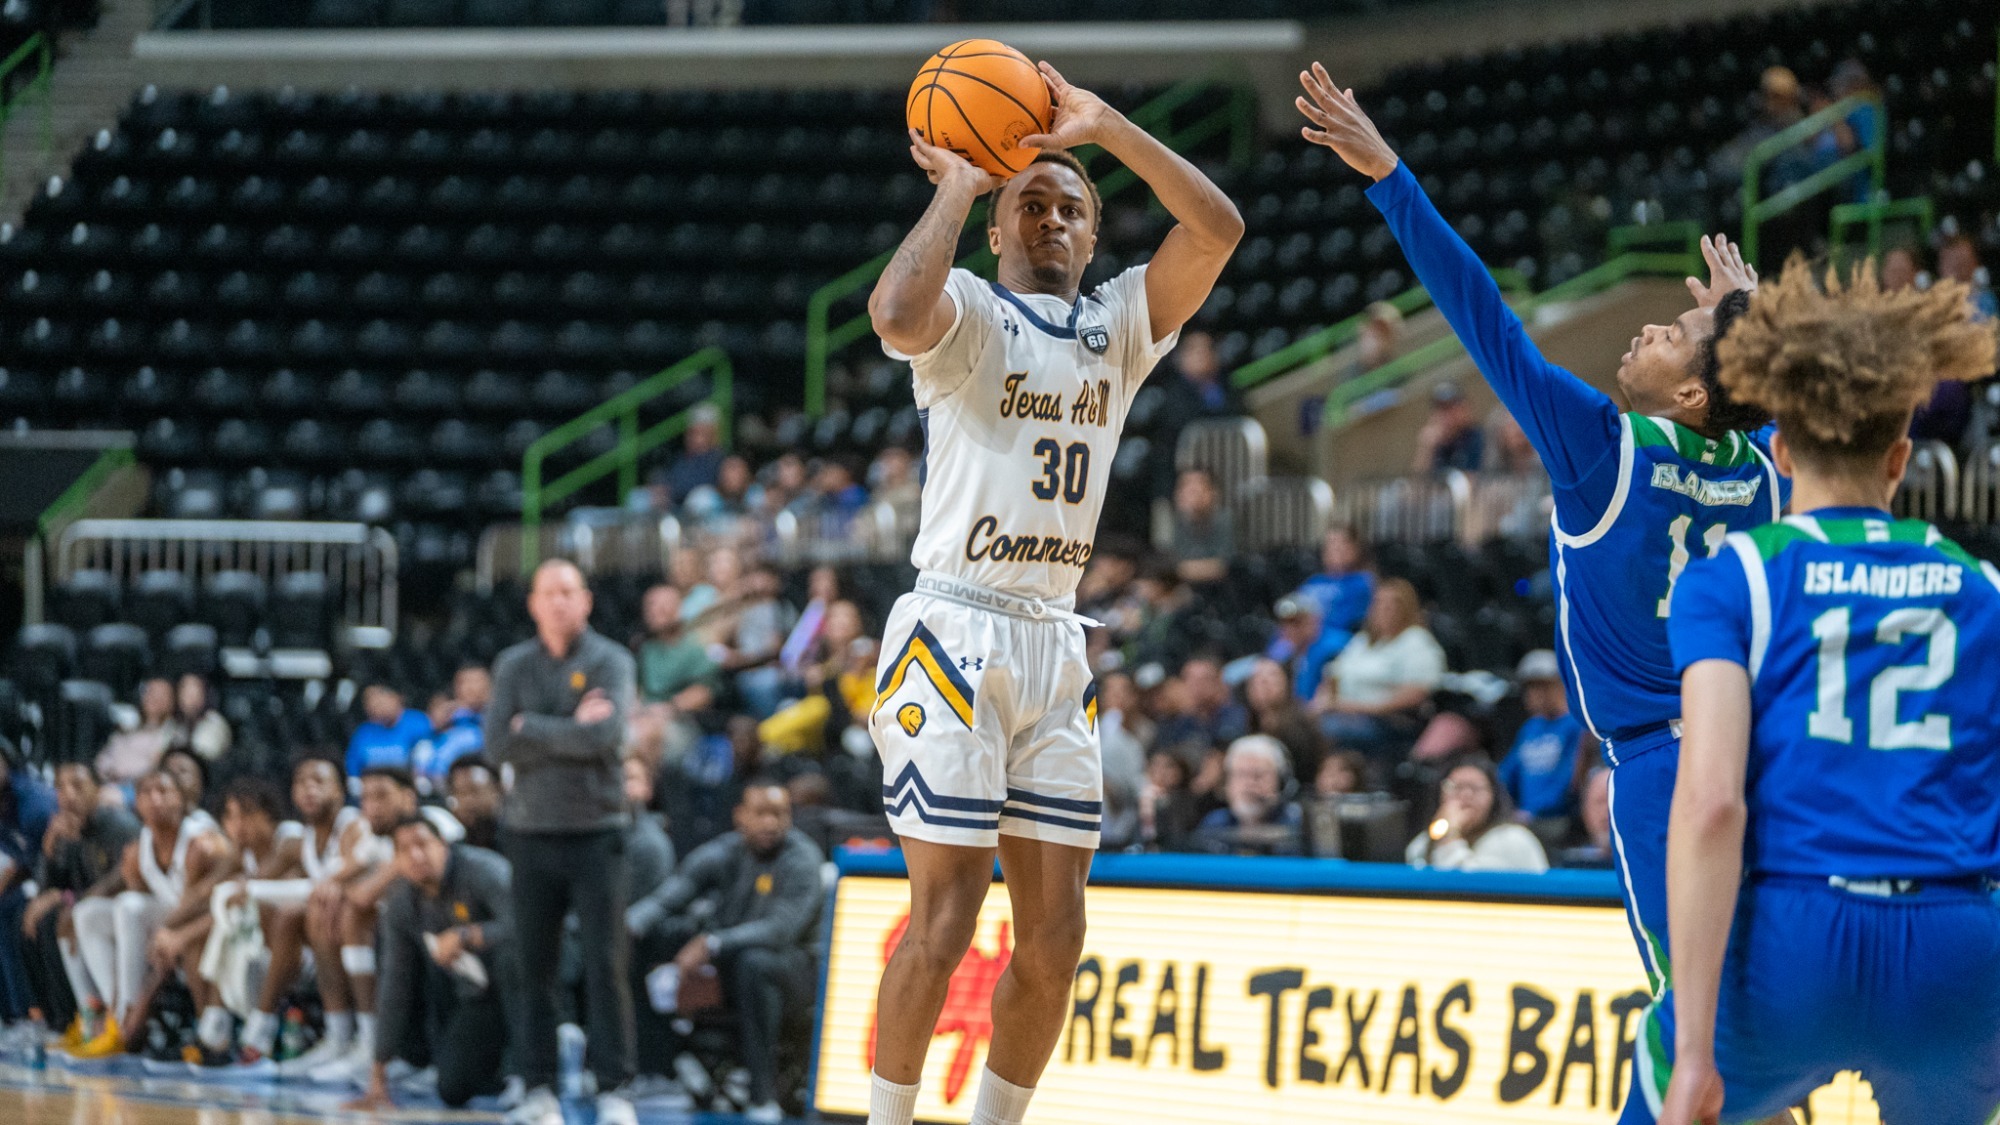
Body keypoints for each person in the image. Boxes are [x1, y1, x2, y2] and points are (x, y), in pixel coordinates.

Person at [1295, 63, 1782, 1000]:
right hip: (1759, 751)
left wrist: (1390, 177)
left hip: (1663, 765)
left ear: (1689, 394)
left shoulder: (1604, 447)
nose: (1647, 329)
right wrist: (1742, 318)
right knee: (1759, 1001)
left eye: (1675, 335)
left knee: (1691, 1021)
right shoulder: (1763, 462)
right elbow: (1785, 392)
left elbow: (1490, 325)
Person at [864, 53, 1240, 1125]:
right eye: (1030, 203)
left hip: (1053, 637)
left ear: (1092, 231)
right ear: (997, 227)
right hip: (953, 624)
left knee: (1058, 937)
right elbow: (894, 314)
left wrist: (1103, 126)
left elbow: (1215, 228)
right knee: (941, 922)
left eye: (1069, 205)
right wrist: (959, 181)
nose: (1053, 219)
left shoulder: (1121, 325)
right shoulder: (970, 313)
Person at [1646, 261, 2000, 1125]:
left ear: (1782, 448)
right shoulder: (1983, 585)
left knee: (1668, 1091)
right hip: (1955, 941)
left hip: (1793, 938)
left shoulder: (1734, 578)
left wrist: (1695, 1048)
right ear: (1900, 456)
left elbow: (1711, 806)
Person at [487, 559, 640, 1125]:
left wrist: (536, 727)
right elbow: (498, 743)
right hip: (529, 834)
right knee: (534, 968)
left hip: (598, 832)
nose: (558, 602)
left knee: (607, 964)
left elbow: (609, 733)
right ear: (532, 603)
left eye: (568, 592)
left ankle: (615, 1088)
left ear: (587, 601)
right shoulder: (512, 665)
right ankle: (538, 1088)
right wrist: (569, 728)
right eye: (548, 592)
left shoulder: (612, 660)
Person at [625, 781, 823, 1124]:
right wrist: (630, 926)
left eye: (779, 814)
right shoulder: (727, 851)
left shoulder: (802, 858)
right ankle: (655, 1070)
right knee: (655, 938)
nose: (770, 823)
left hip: (793, 972)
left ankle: (763, 1098)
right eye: (760, 814)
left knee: (755, 962)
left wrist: (713, 943)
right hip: (734, 962)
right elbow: (675, 892)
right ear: (740, 817)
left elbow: (781, 930)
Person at [305, 765, 462, 1085]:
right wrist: (335, 887)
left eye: (381, 796)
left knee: (361, 918)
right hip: (416, 932)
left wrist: (351, 888)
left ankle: (390, 1049)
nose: (371, 807)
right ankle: (361, 1041)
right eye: (365, 799)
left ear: (408, 797)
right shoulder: (377, 839)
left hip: (464, 929)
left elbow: (367, 893)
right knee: (332, 913)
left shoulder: (435, 821)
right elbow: (351, 886)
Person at [351, 815, 517, 1111]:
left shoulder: (484, 870)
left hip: (532, 985)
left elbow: (531, 927)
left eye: (422, 844)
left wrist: (469, 935)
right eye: (404, 850)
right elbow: (395, 984)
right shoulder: (402, 903)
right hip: (479, 997)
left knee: (511, 959)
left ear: (443, 846)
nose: (416, 855)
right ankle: (504, 1072)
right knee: (452, 1089)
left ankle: (543, 1064)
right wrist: (378, 1072)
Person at [63, 769, 227, 1056]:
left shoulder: (200, 844)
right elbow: (145, 898)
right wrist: (134, 881)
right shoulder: (140, 847)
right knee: (87, 914)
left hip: (201, 925)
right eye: (146, 793)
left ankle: (128, 1012)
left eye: (163, 791)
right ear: (136, 804)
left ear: (181, 799)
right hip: (166, 922)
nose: (155, 799)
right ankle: (107, 1010)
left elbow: (203, 903)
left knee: (129, 906)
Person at [262, 755, 364, 1077]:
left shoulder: (352, 823)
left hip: (371, 927)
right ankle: (337, 1035)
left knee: (321, 912)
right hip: (332, 934)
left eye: (319, 781)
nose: (309, 789)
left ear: (340, 791)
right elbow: (258, 881)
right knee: (297, 915)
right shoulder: (298, 841)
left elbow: (353, 865)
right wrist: (237, 888)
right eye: (301, 782)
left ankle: (367, 1042)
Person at [20, 763, 137, 1041]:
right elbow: (47, 890)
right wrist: (49, 851)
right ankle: (53, 1019)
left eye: (78, 786)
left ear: (97, 790)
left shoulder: (117, 824)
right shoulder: (66, 827)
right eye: (61, 787)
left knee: (58, 920)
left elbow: (122, 878)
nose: (69, 795)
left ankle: (75, 1017)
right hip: (86, 906)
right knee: (28, 920)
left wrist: (70, 899)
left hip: (116, 908)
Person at [1312, 578, 1446, 756]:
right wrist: (1322, 702)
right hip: (1345, 715)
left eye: (1393, 603)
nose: (1385, 609)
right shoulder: (1363, 641)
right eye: (1379, 602)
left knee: (1324, 730)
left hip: (1388, 723)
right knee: (1298, 726)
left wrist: (1355, 707)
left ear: (1407, 608)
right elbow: (1333, 673)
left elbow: (1416, 694)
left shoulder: (1416, 641)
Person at [1405, 757, 1548, 873]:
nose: (1466, 795)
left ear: (1493, 797)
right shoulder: (1422, 844)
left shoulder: (1512, 839)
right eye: (1456, 787)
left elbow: (1466, 887)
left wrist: (1451, 834)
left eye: (1476, 788)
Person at [1496, 649, 1587, 825]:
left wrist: (1534, 812)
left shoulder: (1575, 725)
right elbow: (1507, 773)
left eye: (1543, 686)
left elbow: (1569, 779)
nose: (1535, 694)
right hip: (1524, 815)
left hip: (1558, 818)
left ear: (1561, 685)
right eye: (1530, 688)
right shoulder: (1530, 727)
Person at [0, 745, 56, 1025]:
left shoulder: (35, 801)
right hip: (32, 875)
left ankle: (29, 1010)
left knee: (14, 912)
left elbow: (50, 856)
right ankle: (11, 1012)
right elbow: (18, 859)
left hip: (57, 878)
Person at [1191, 735, 1304, 856]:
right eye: (1241, 774)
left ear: (1281, 783)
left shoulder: (1298, 824)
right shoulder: (1214, 823)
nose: (1249, 783)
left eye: (1258, 775)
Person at [1291, 525, 1375, 658]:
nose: (1335, 548)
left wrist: (1308, 631)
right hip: (1297, 640)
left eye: (1342, 542)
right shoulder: (1313, 582)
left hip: (1334, 642)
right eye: (1330, 543)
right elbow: (1290, 611)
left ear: (1355, 548)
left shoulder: (1362, 582)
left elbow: (1345, 622)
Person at [96, 677, 176, 794]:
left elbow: (153, 768)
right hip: (108, 784)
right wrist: (108, 771)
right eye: (149, 692)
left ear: (171, 701)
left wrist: (123, 774)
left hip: (139, 790)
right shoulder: (127, 728)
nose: (152, 698)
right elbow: (103, 759)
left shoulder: (170, 733)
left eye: (160, 694)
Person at [346, 683, 431, 779]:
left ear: (396, 697)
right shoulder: (363, 732)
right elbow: (353, 767)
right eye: (368, 701)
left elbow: (427, 756)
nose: (373, 705)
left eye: (379, 698)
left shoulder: (418, 722)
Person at [1166, 467, 1231, 583]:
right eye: (1186, 486)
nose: (1194, 491)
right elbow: (1163, 565)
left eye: (1201, 485)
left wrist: (1179, 570)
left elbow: (1225, 565)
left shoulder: (1225, 519)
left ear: (1213, 493)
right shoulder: (1170, 520)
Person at [1411, 380, 1484, 473]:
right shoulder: (1435, 445)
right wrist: (1426, 449)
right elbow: (1416, 483)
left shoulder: (1480, 438)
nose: (1448, 415)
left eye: (1452, 407)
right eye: (1442, 409)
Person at [444, 755, 505, 853]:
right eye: (461, 793)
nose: (468, 801)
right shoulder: (449, 845)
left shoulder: (519, 839)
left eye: (474, 791)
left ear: (497, 791)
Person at [169, 675, 232, 763]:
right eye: (186, 691)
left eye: (196, 691)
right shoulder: (172, 723)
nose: (191, 698)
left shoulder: (215, 723)